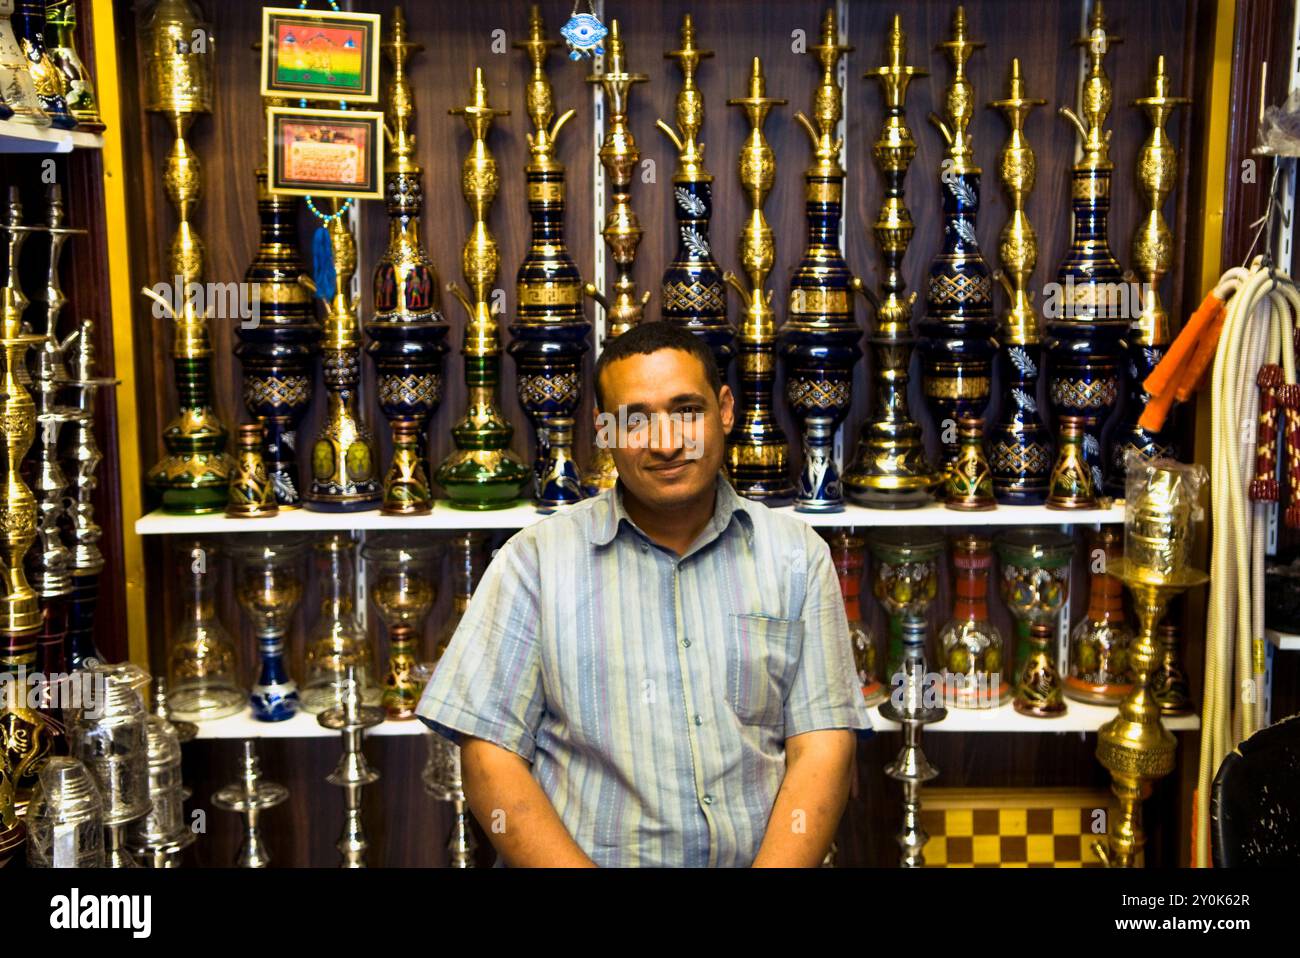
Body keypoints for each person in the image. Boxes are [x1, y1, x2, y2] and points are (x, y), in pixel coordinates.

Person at [417, 321, 871, 867]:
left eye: (686, 410)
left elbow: (822, 745)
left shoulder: (797, 556)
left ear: (724, 410)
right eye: (635, 420)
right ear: (604, 431)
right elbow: (490, 756)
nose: (664, 442)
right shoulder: (533, 562)